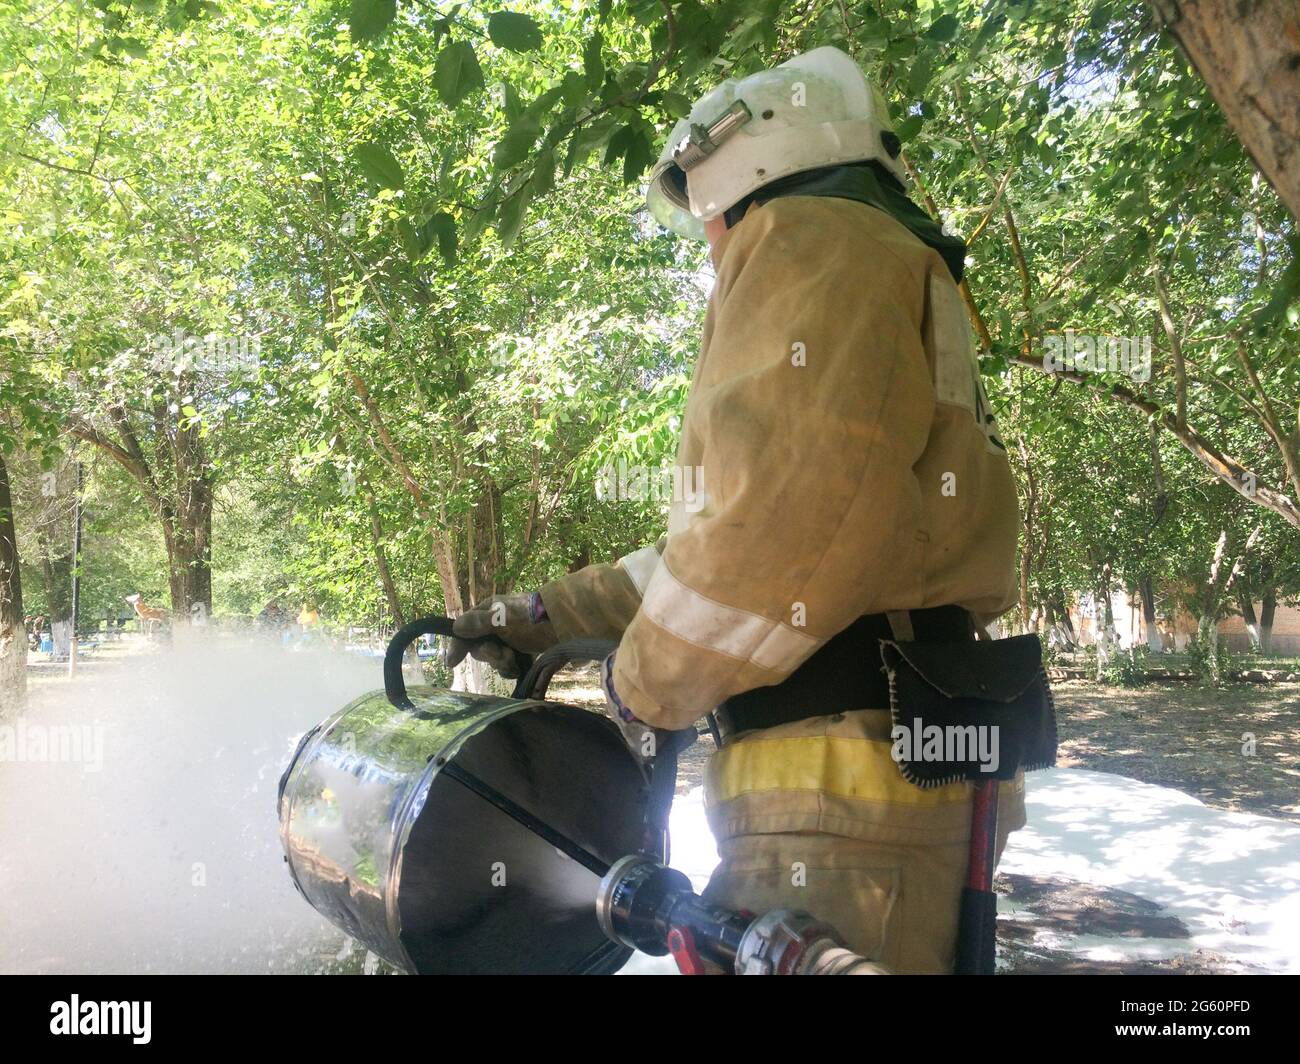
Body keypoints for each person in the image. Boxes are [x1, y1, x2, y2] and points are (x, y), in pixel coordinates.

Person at [449, 46, 1024, 973]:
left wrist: (640, 687)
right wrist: (537, 617)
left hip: (843, 797)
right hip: (882, 778)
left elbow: (780, 536)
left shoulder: (811, 235)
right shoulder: (874, 247)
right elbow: (730, 537)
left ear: (746, 167)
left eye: (708, 213)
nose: (712, 244)